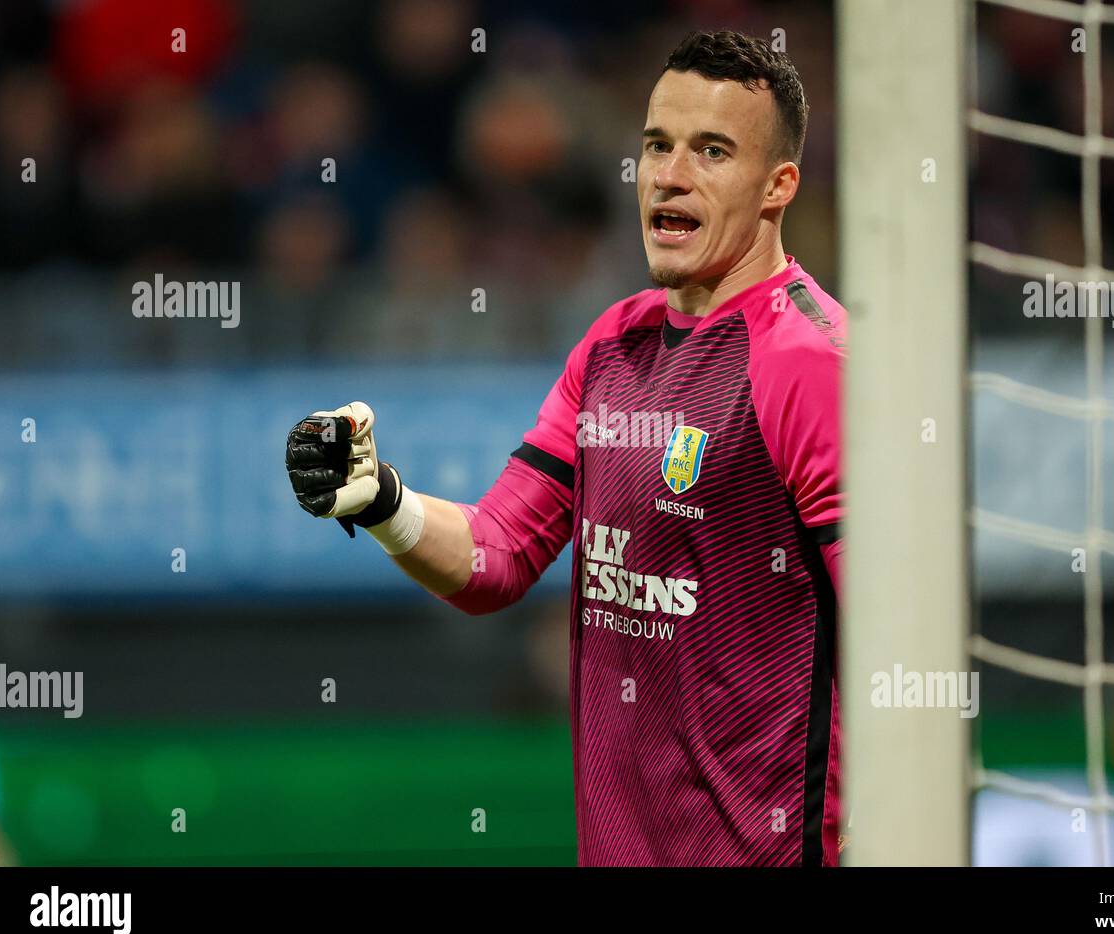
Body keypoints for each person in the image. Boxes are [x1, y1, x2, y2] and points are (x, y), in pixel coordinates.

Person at [286, 30, 846, 866]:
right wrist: (380, 501)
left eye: (712, 151)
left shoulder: (809, 364)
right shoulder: (612, 346)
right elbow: (497, 555)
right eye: (657, 144)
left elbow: (898, 644)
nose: (670, 173)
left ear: (778, 187)